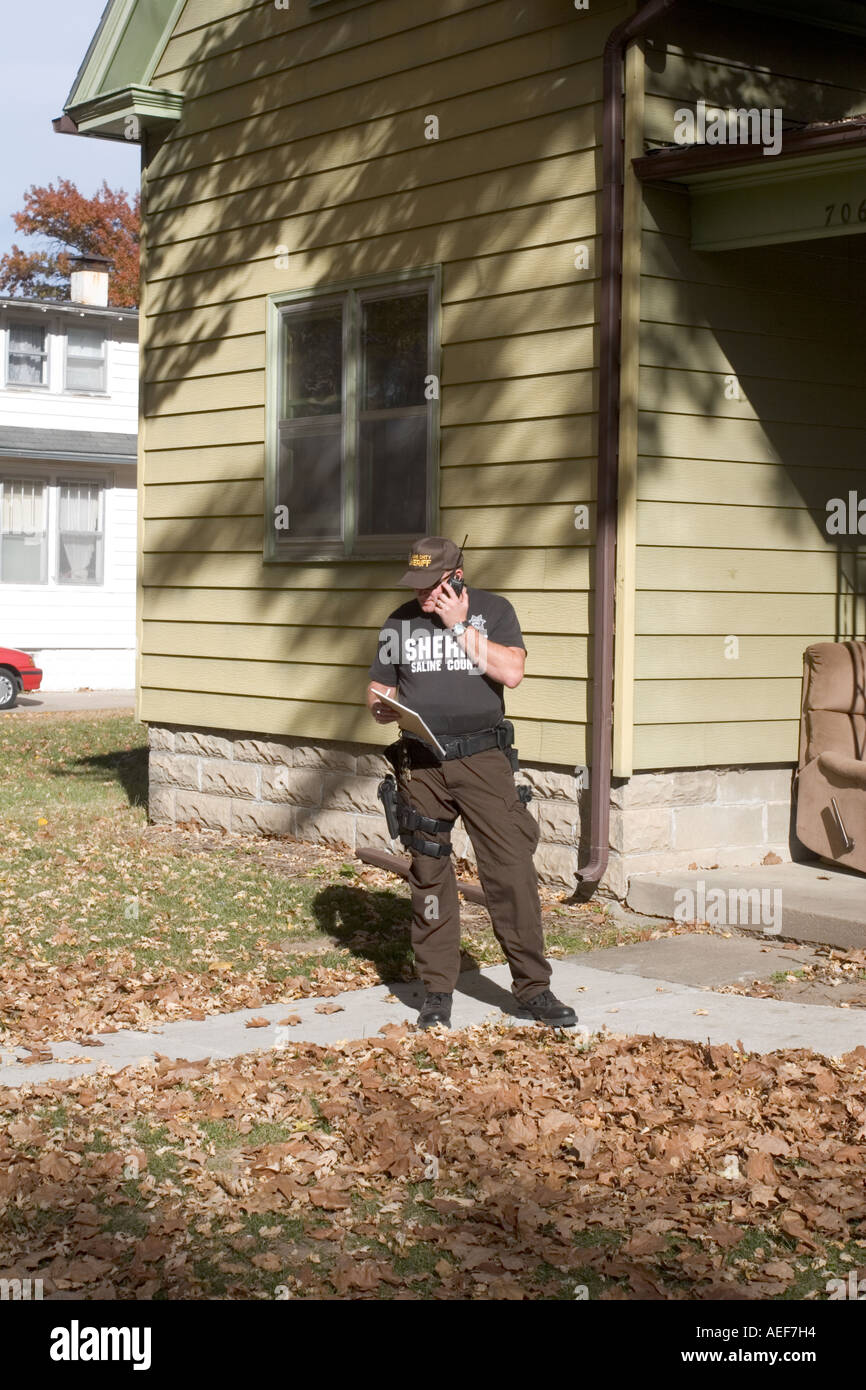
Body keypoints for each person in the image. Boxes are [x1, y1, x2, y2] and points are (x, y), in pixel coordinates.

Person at [366, 535, 577, 1031]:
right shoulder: (399, 621)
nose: (422, 595)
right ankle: (437, 990)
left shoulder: (494, 612)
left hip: (483, 760)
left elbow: (512, 672)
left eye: (432, 586)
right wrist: (380, 706)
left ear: (457, 578)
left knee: (511, 872)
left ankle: (533, 988)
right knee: (429, 874)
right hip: (423, 764)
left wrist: (458, 625)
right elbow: (379, 686)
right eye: (417, 586)